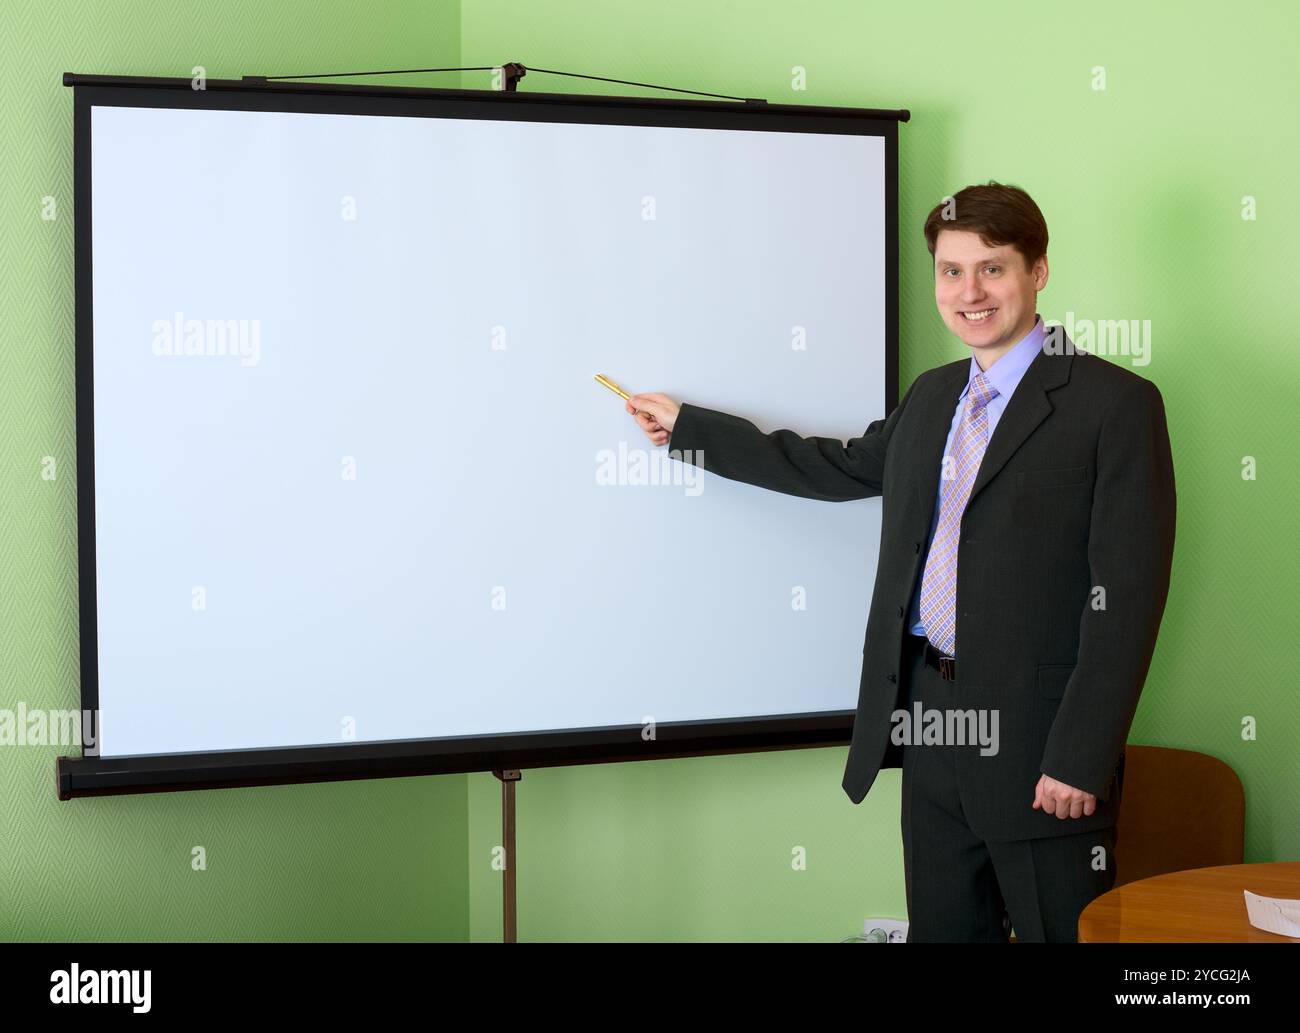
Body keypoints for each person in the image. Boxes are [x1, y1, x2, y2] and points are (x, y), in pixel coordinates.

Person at [625, 182, 1176, 942]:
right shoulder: (932, 397)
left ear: (1038, 270)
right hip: (932, 727)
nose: (969, 292)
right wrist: (693, 430)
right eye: (951, 272)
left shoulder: (1115, 405)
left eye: (992, 268)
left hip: (1044, 747)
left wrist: (1081, 756)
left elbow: (1130, 595)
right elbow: (836, 467)